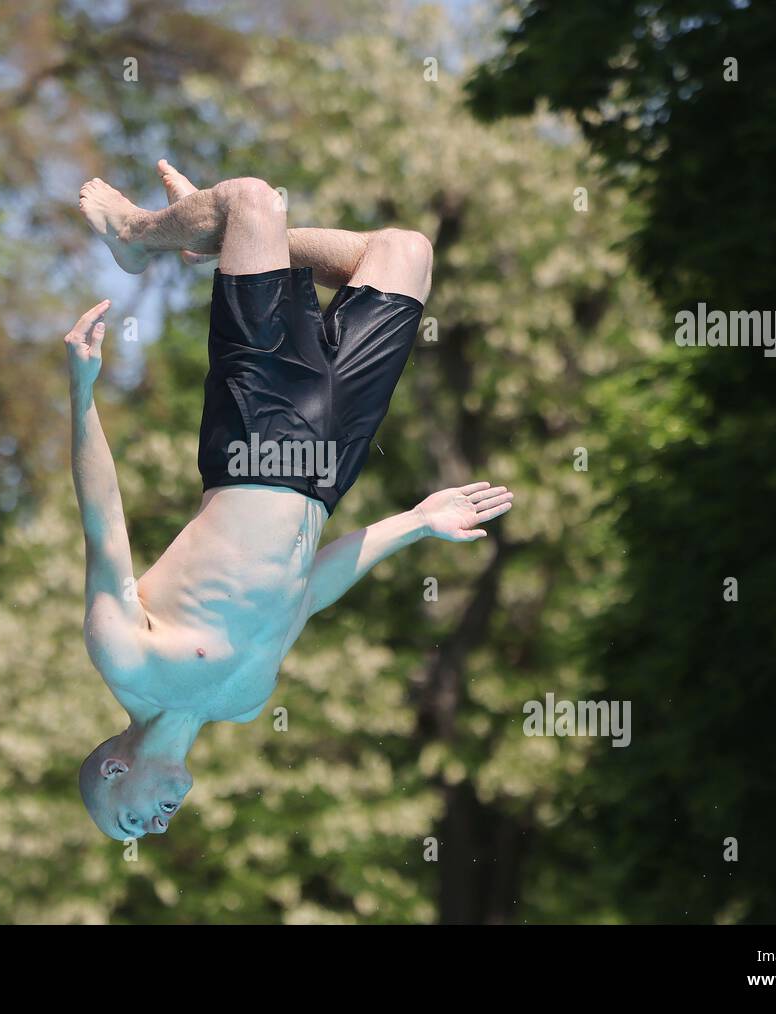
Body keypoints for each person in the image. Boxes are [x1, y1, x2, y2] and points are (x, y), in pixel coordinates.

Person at [70, 161, 515, 840]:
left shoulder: (126, 658)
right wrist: (417, 523)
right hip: (331, 468)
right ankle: (220, 243)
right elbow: (307, 590)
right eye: (148, 833)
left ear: (112, 771)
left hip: (257, 443)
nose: (156, 827)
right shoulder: (245, 702)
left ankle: (135, 233)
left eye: (131, 821)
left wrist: (81, 397)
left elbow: (103, 521)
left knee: (251, 199)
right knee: (402, 253)